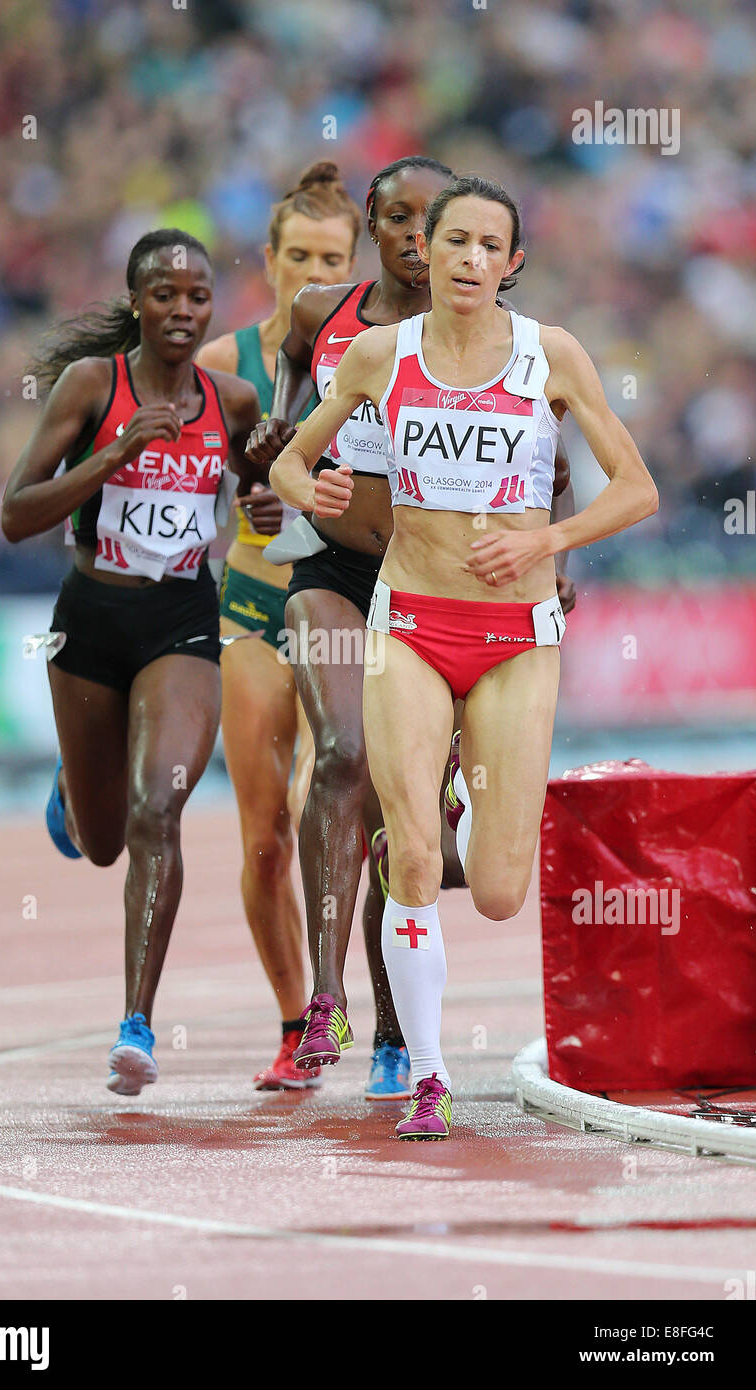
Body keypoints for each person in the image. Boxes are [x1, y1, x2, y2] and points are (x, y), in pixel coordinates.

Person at [268, 175, 658, 1139]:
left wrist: (544, 543)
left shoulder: (548, 354)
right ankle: (428, 1073)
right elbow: (284, 457)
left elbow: (637, 490)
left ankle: (454, 790)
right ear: (426, 254)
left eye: (493, 246)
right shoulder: (375, 354)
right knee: (406, 855)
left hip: (517, 637)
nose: (472, 260)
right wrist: (304, 490)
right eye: (457, 243)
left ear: (512, 264)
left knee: (493, 889)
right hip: (407, 620)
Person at [1, 229, 271, 1096]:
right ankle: (74, 800)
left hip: (183, 620)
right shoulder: (93, 386)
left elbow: (257, 498)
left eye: (197, 297)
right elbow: (15, 513)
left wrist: (262, 505)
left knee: (162, 809)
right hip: (91, 617)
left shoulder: (228, 402)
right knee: (107, 839)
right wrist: (114, 455)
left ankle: (136, 1025)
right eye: (165, 295)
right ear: (136, 302)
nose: (183, 310)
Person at [247, 157, 459, 1099]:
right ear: (372, 222)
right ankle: (325, 999)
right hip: (330, 570)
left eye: (436, 223)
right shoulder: (317, 315)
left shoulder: (481, 336)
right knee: (338, 755)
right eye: (400, 218)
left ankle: (388, 1020)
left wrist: (556, 569)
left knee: (401, 803)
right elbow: (287, 423)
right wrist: (284, 464)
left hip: (431, 585)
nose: (418, 238)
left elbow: (554, 472)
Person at [196, 162, 361, 1091]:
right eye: (295, 255)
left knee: (329, 804)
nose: (309, 272)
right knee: (265, 834)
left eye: (330, 258)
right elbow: (190, 492)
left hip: (340, 605)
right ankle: (298, 1024)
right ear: (267, 259)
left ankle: (374, 1016)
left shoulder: (378, 352)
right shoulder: (227, 366)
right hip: (255, 607)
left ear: (354, 263)